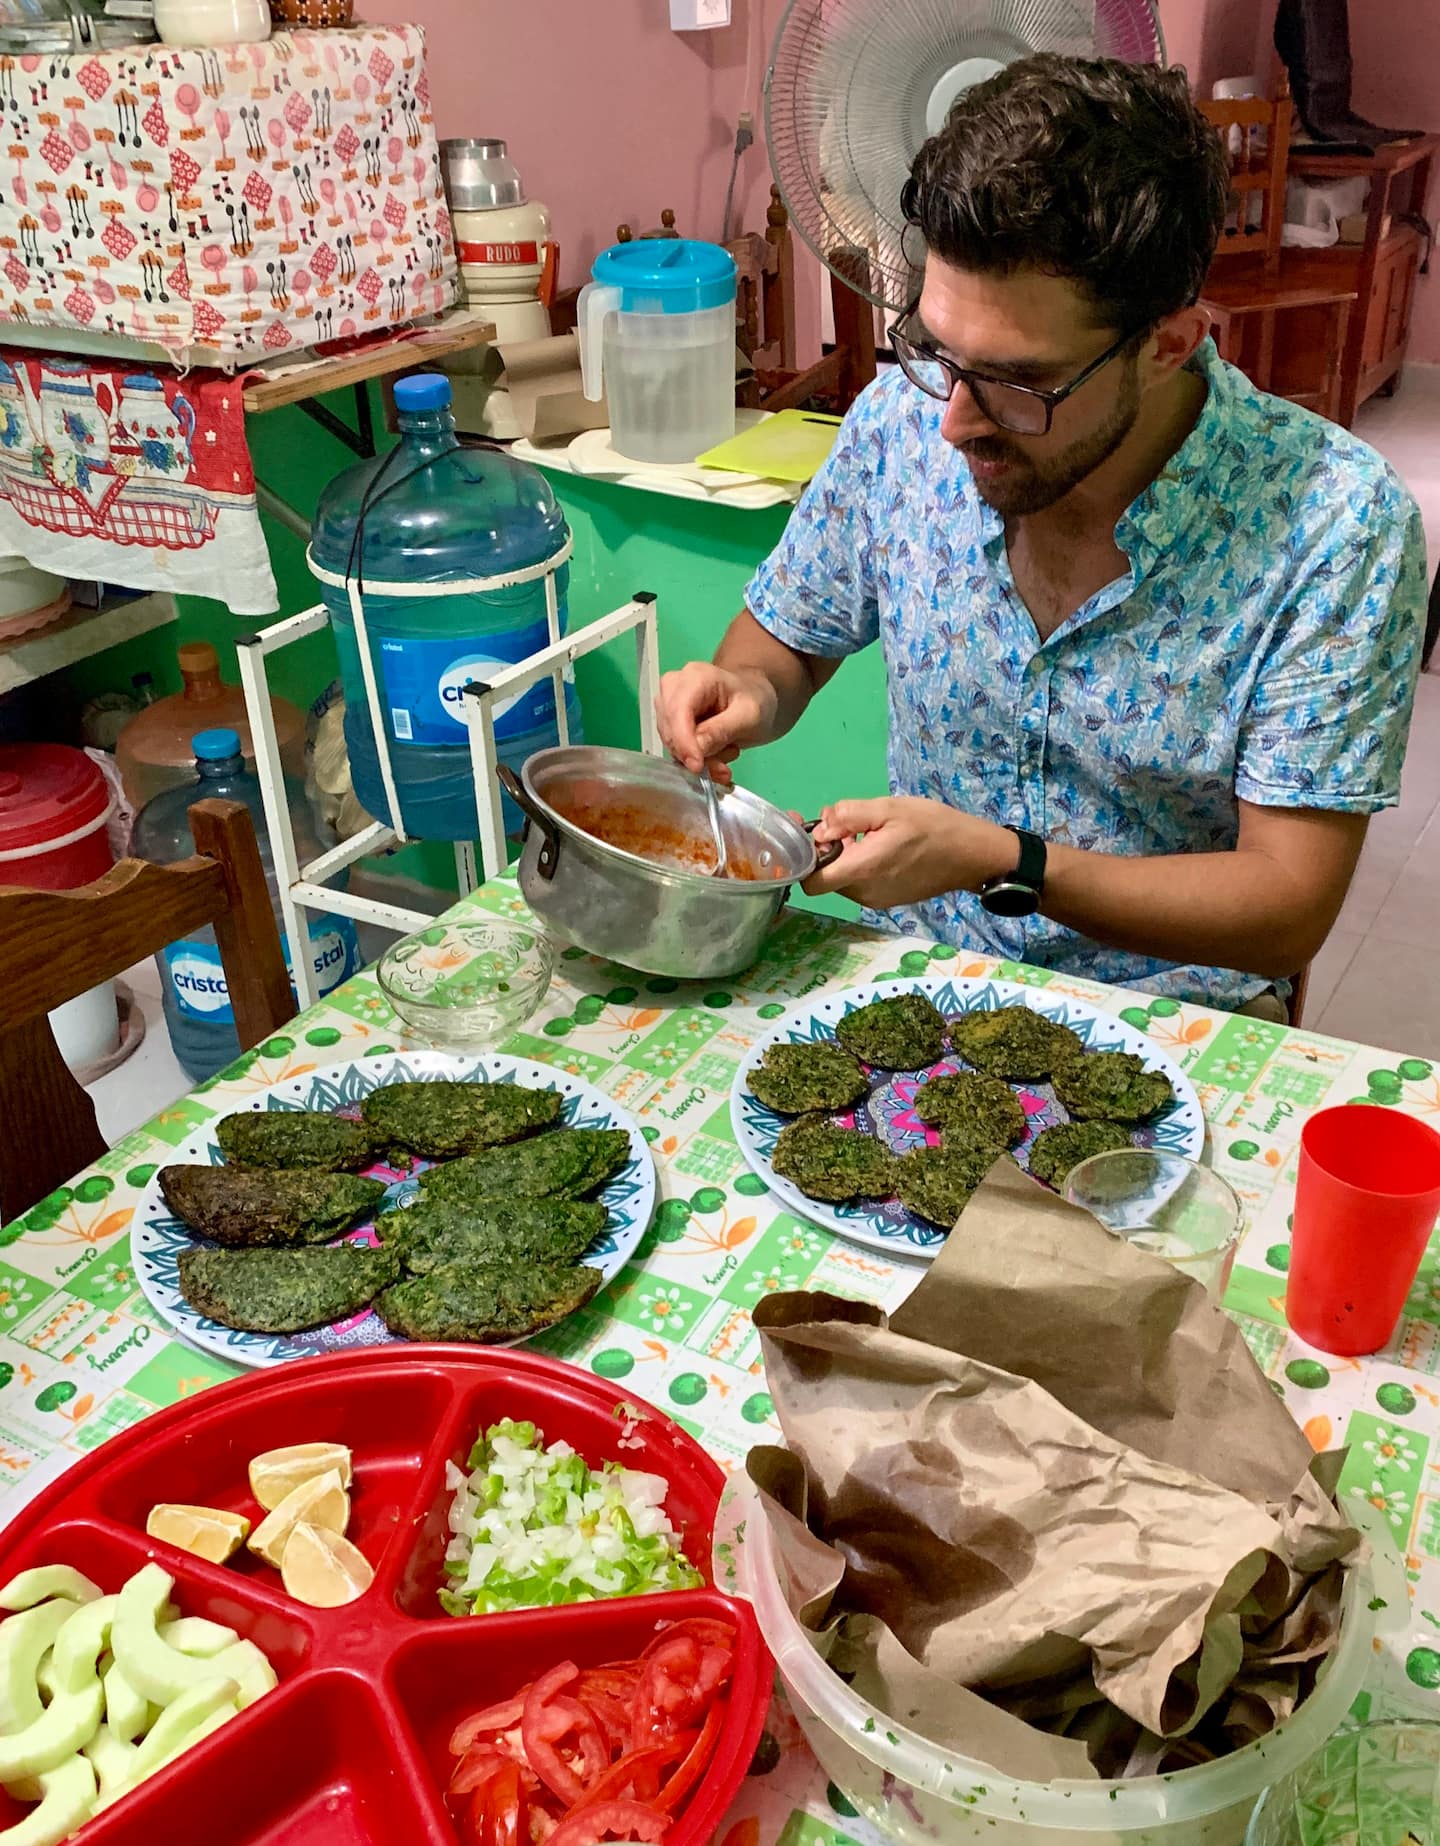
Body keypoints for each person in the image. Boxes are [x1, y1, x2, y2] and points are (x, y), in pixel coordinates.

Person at [656, 56, 1427, 1015]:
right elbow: (784, 648)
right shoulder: (900, 423)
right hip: (914, 978)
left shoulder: (1334, 525)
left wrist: (1003, 861)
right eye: (935, 348)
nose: (953, 421)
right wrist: (747, 695)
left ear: (1168, 344)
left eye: (1017, 383)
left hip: (1179, 1017)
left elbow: (1285, 904)